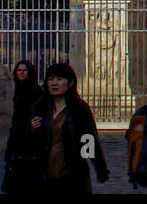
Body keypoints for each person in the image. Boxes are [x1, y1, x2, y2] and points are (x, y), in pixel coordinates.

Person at [28, 62, 109, 195]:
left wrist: (100, 168)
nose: (54, 83)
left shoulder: (79, 109)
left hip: (71, 174)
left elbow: (89, 141)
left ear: (70, 83)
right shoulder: (39, 107)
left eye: (59, 79)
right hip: (43, 174)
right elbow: (28, 142)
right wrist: (32, 129)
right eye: (50, 79)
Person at [1, 60, 42, 194]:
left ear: (30, 72)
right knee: (14, 163)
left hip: (29, 130)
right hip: (17, 131)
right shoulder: (16, 89)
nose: (22, 73)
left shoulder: (35, 90)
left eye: (24, 70)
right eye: (19, 70)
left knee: (27, 163)